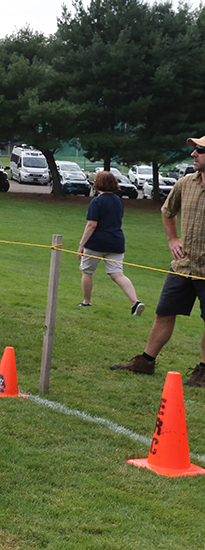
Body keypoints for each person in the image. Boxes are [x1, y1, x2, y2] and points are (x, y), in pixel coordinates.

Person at [111, 135, 205, 385]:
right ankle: (146, 362)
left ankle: (203, 372)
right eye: (194, 150)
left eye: (200, 150)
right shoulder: (186, 183)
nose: (193, 155)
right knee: (164, 312)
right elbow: (167, 211)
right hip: (183, 265)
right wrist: (173, 239)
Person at [77, 171, 144, 314]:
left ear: (97, 184)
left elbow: (91, 225)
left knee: (87, 271)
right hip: (116, 242)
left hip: (96, 243)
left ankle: (86, 302)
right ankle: (135, 302)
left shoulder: (96, 201)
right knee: (118, 274)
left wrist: (82, 244)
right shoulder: (118, 201)